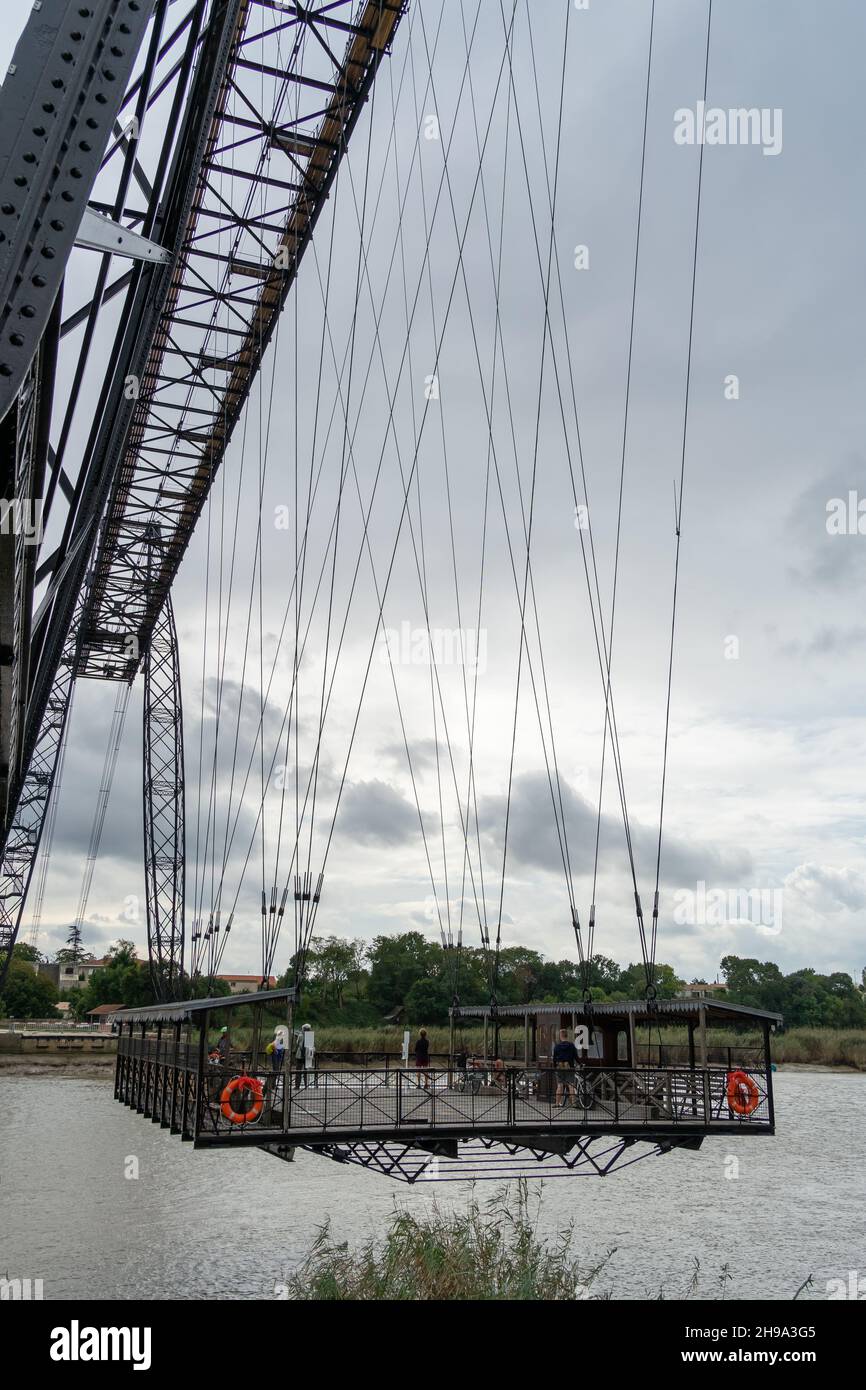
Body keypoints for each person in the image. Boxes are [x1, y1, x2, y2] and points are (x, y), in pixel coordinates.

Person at [553, 1028, 579, 1108]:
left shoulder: (557, 1046)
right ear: (567, 1035)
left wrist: (555, 1066)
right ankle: (573, 1103)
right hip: (569, 1067)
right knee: (571, 1085)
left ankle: (557, 1103)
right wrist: (580, 1064)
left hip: (560, 1067)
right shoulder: (571, 1045)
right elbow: (576, 1057)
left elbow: (554, 1058)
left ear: (560, 1036)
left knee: (560, 1085)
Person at [294, 1023, 312, 1090]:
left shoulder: (300, 1035)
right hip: (307, 1056)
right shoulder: (310, 1036)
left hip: (300, 1055)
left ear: (303, 1028)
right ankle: (306, 1086)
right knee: (306, 1071)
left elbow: (297, 1043)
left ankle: (297, 1086)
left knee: (298, 1071)